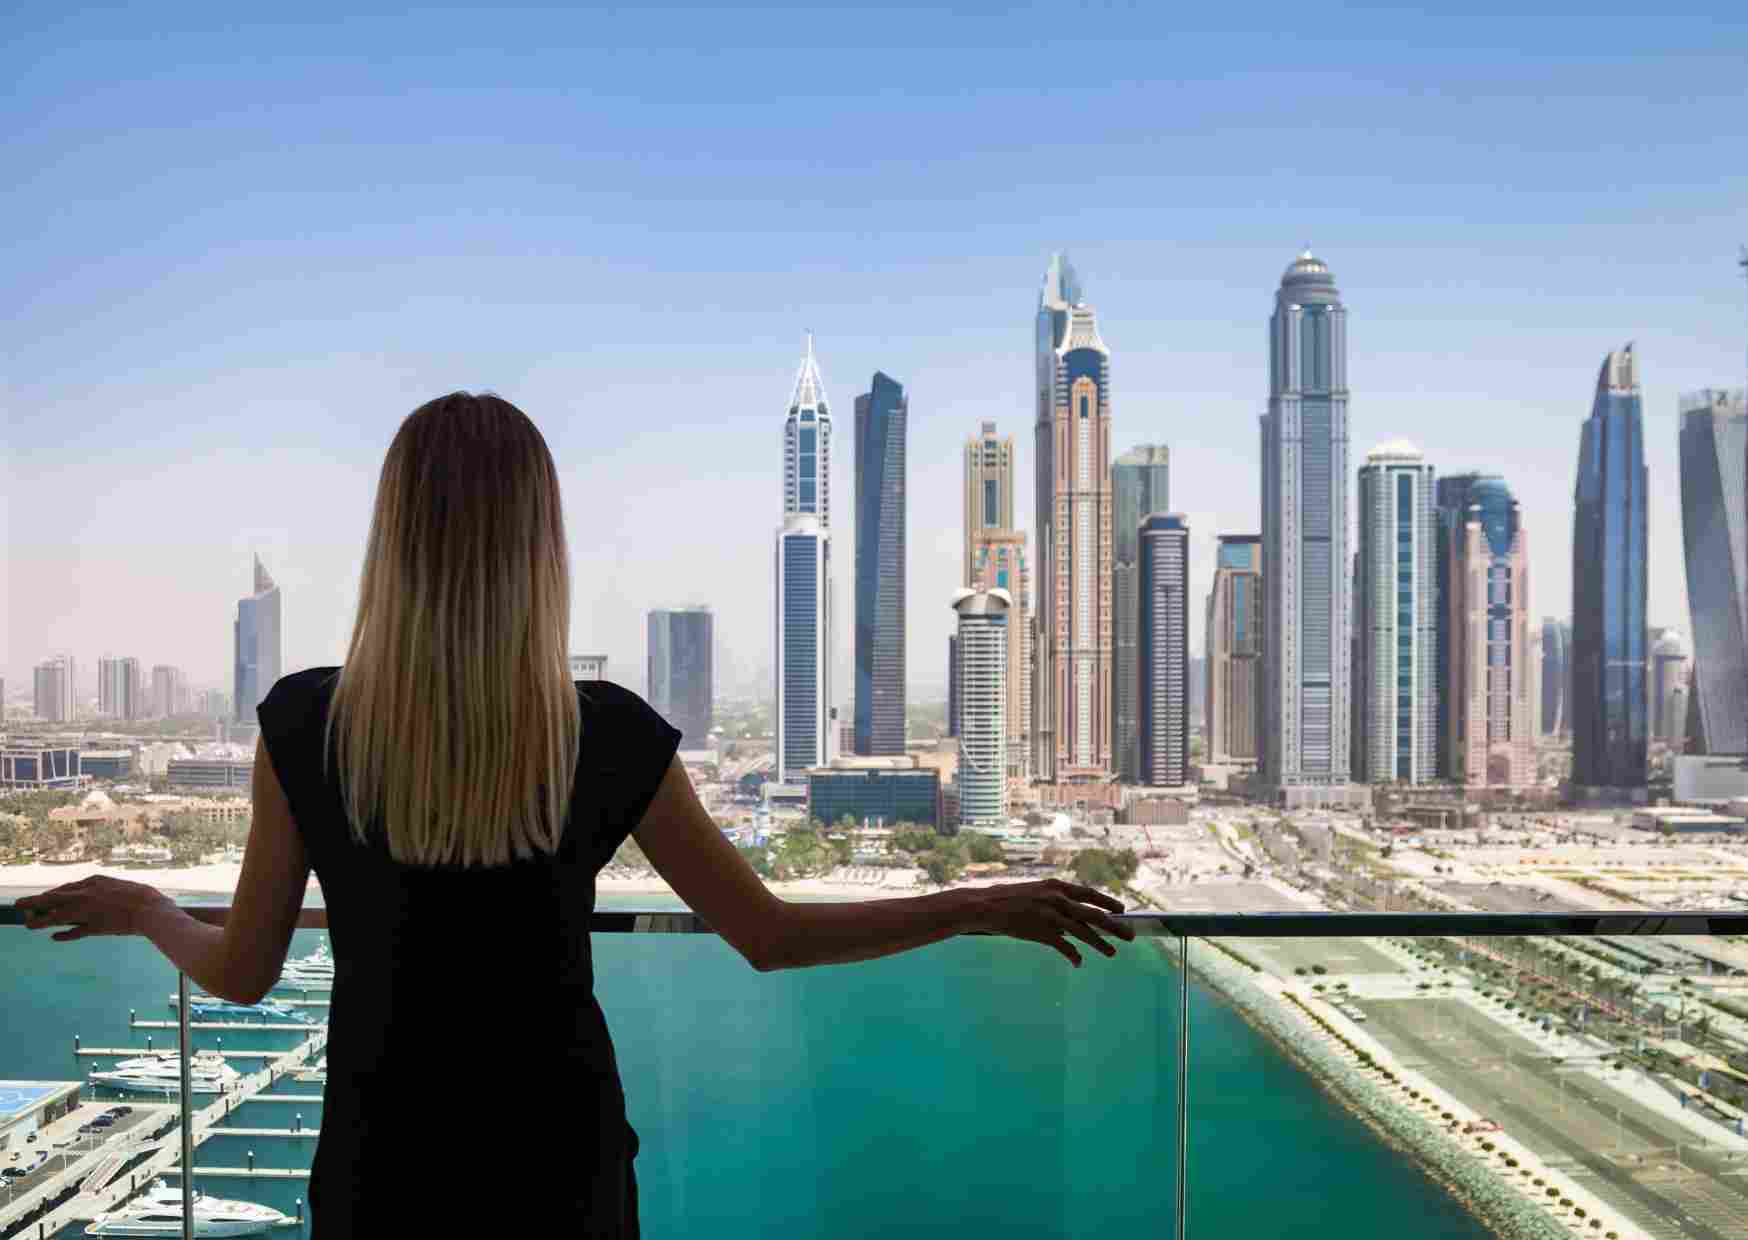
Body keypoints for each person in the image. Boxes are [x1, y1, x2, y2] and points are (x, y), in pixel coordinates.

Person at [18, 392, 1135, 1238]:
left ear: (391, 539)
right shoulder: (599, 733)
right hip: (563, 1169)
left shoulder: (308, 723)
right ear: (536, 543)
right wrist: (969, 906)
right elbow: (769, 935)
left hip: (379, 1170)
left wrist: (151, 909)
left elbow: (248, 969)